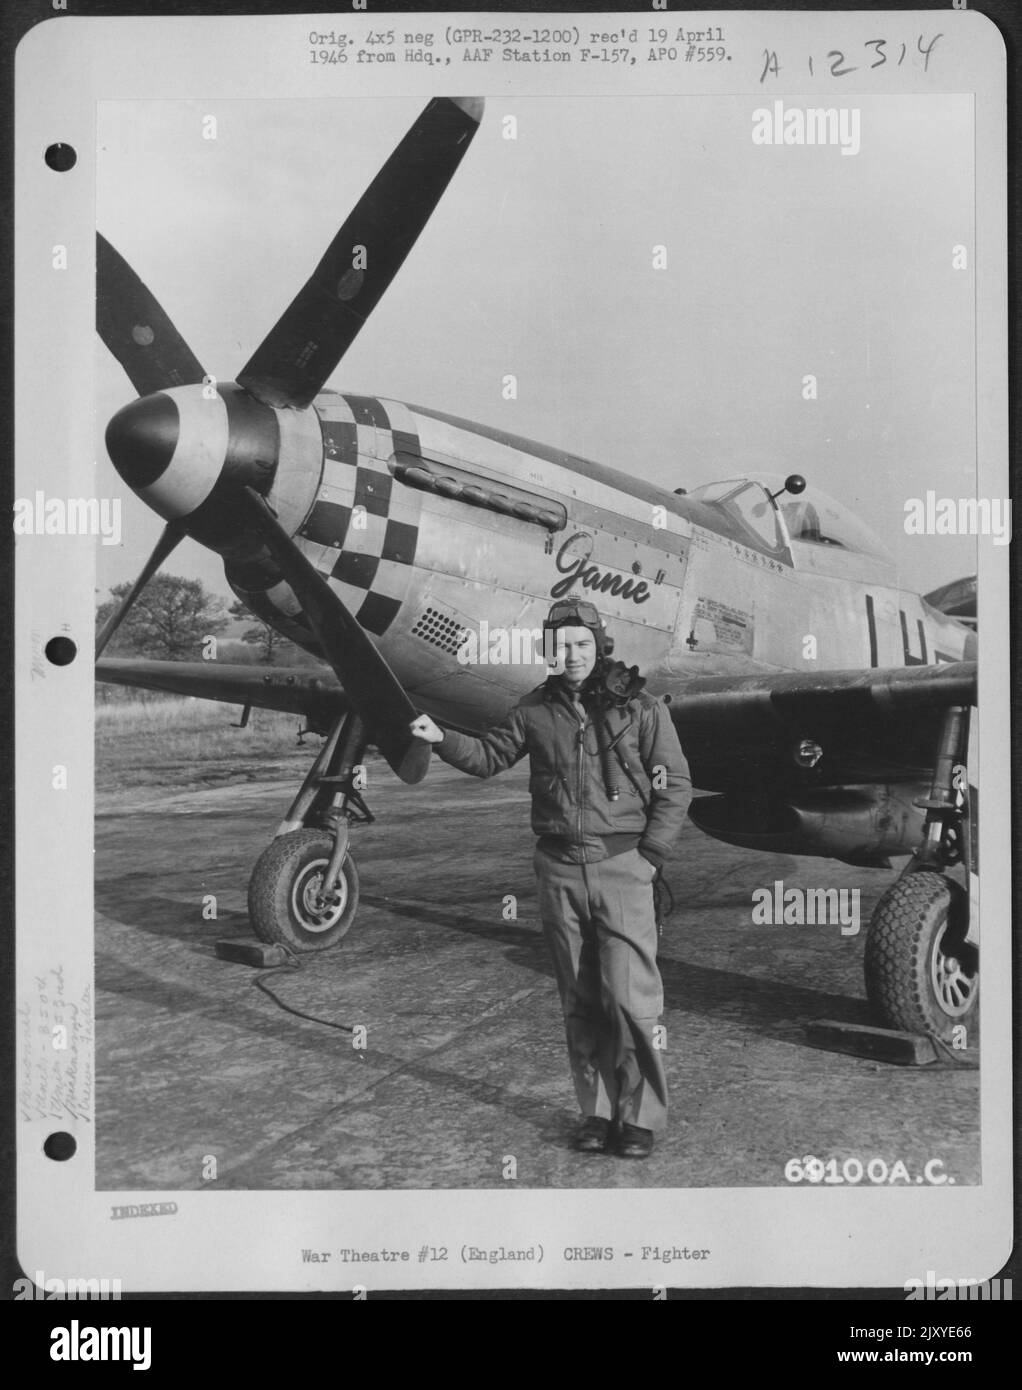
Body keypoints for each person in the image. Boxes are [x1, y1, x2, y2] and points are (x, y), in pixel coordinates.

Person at [409, 596, 692, 1159]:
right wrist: (439, 737)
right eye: (561, 646)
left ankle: (638, 1117)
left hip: (622, 868)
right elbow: (489, 758)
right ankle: (596, 1112)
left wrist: (650, 857)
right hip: (559, 868)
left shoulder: (640, 707)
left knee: (631, 1001)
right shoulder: (533, 709)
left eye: (582, 645)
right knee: (580, 1000)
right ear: (548, 649)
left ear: (600, 645)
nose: (572, 656)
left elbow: (675, 784)